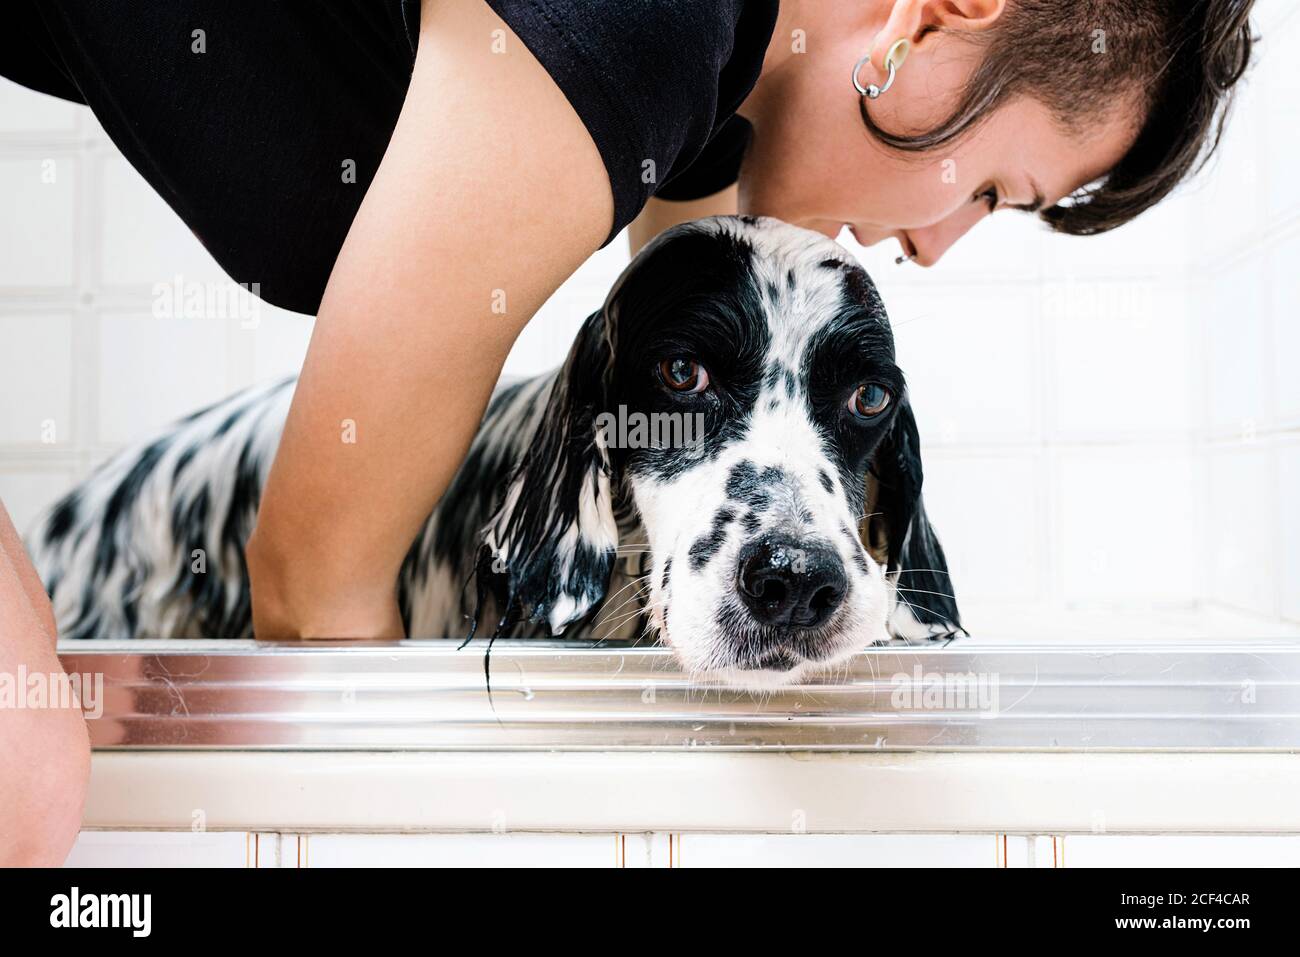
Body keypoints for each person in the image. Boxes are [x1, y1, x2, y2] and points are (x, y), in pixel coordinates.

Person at [0, 0, 1253, 863]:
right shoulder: (645, 25)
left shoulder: (711, 88)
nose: (938, 243)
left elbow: (699, 357)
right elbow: (309, 584)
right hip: (175, 534)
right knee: (18, 782)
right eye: (988, 186)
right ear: (941, 13)